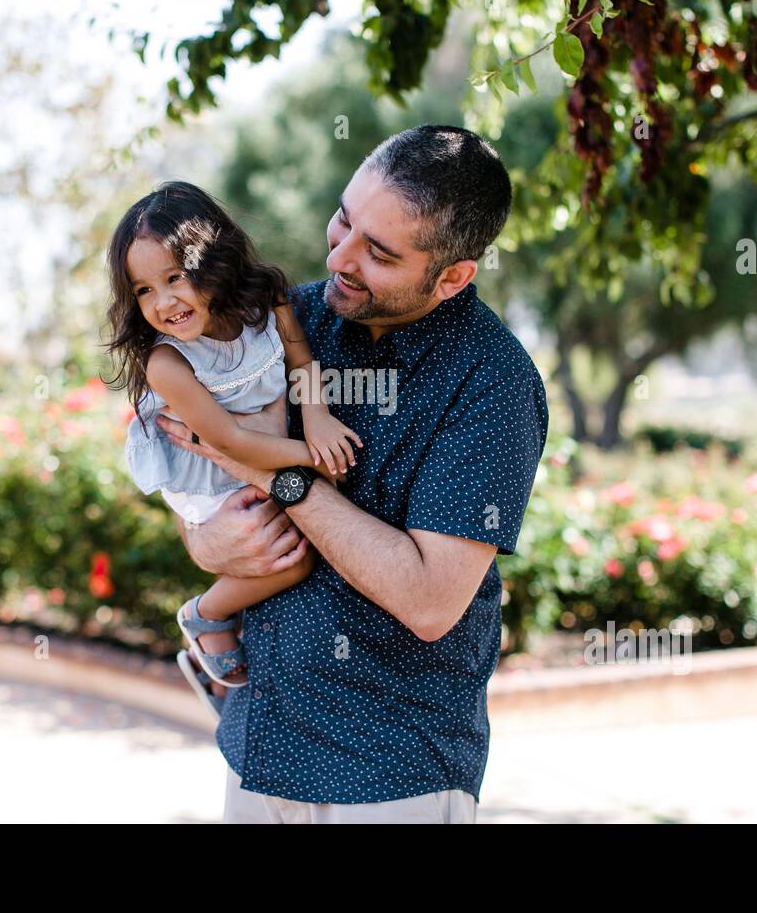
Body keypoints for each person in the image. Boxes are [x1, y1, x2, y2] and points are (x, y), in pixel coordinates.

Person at [157, 125, 550, 823]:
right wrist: (207, 543)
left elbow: (430, 601)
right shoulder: (291, 319)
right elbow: (203, 485)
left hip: (391, 773)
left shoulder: (495, 385)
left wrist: (279, 476)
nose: (340, 255)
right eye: (344, 219)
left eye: (379, 253)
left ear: (454, 275)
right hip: (260, 748)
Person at [105, 181, 359, 691]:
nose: (164, 301)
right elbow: (227, 442)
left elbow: (301, 360)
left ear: (212, 260)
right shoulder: (167, 362)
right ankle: (204, 616)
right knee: (294, 557)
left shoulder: (268, 298)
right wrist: (312, 458)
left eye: (174, 277)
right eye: (144, 290)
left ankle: (222, 666)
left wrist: (318, 419)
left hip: (259, 450)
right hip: (210, 473)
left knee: (306, 526)